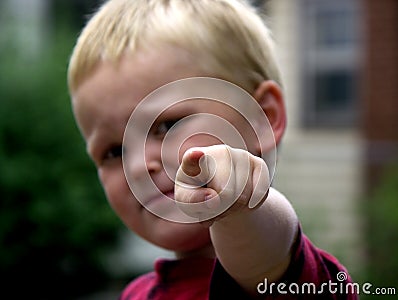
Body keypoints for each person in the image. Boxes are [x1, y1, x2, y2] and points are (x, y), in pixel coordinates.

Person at [67, 0, 357, 299]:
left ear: (261, 117)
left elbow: (266, 251)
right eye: (115, 151)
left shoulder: (293, 278)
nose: (138, 166)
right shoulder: (136, 294)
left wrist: (239, 208)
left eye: (167, 126)